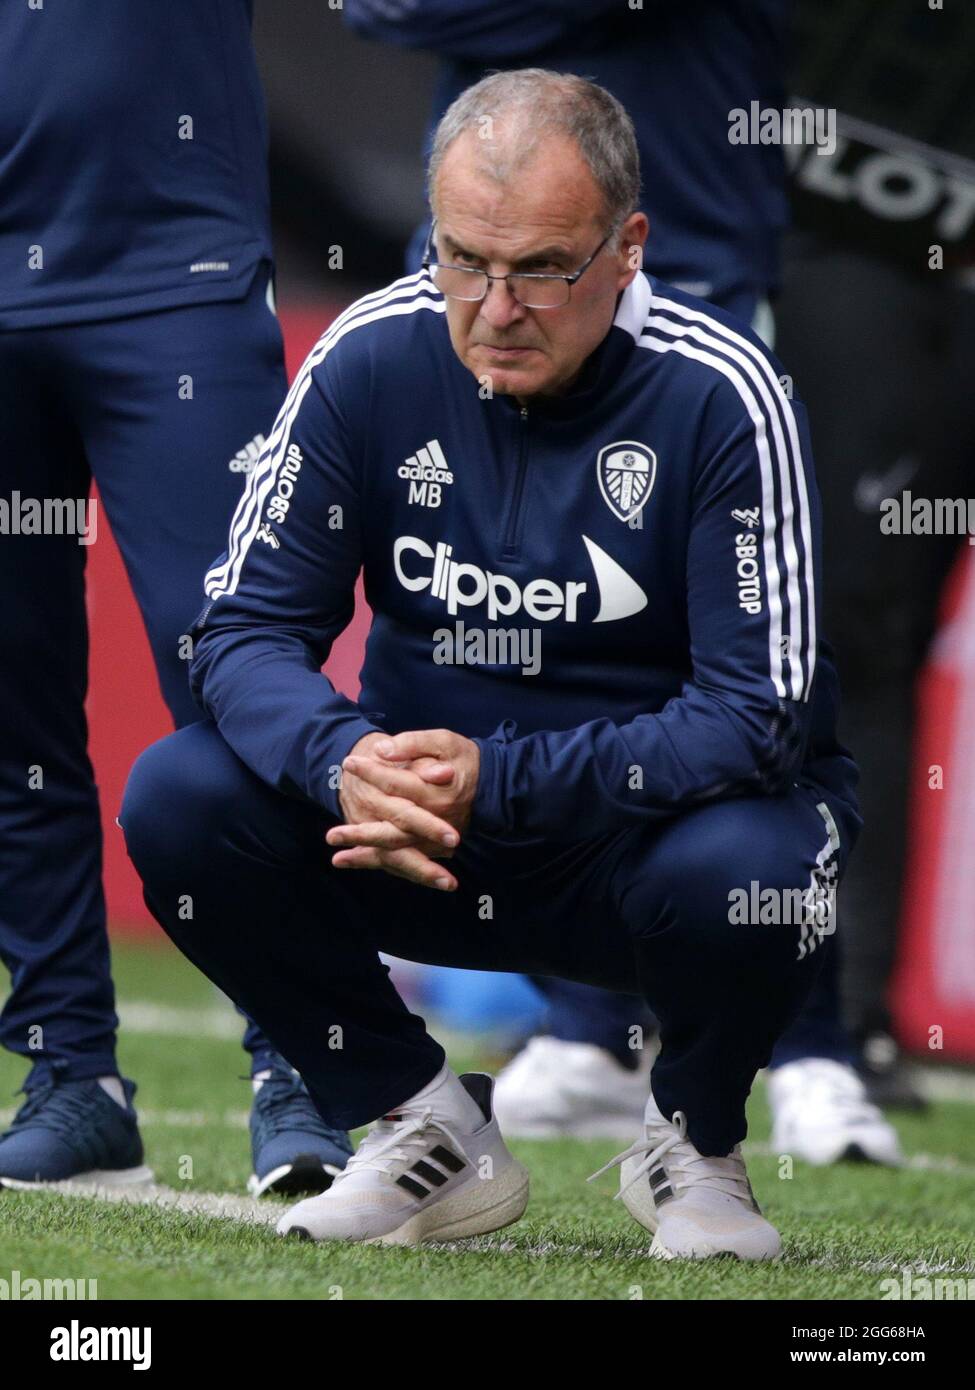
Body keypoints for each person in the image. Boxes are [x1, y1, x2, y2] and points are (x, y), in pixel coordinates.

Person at [123, 70, 863, 1259]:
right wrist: (344, 758)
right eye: (463, 259)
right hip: (425, 839)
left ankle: (696, 1139)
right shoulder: (373, 353)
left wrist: (499, 779)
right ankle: (421, 1125)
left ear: (628, 249)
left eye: (542, 269)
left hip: (643, 850)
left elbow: (759, 715)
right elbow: (240, 629)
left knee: (759, 863)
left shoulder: (725, 392)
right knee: (179, 794)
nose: (496, 307)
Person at [343, 0, 903, 1159]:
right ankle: (591, 1031)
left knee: (764, 679)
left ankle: (810, 1046)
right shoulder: (411, 326)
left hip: (692, 275)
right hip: (493, 284)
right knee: (507, 633)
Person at [0, 0, 350, 1198]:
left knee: (237, 673)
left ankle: (303, 1057)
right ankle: (70, 1074)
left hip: (174, 277)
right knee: (12, 702)